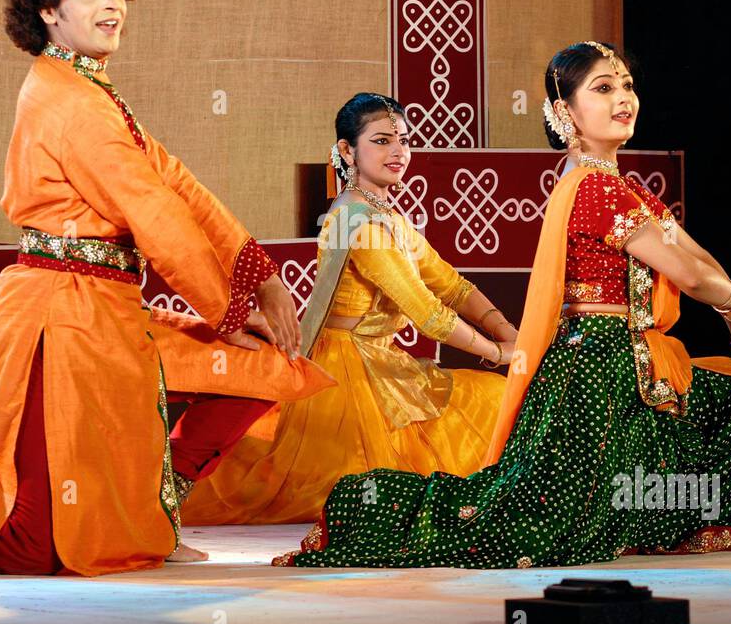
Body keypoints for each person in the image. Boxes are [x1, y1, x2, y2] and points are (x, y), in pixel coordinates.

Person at [273, 42, 731, 568]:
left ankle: (671, 520)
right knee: (534, 523)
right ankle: (367, 509)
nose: (623, 97)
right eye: (603, 88)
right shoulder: (596, 192)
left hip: (632, 361)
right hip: (602, 368)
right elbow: (690, 275)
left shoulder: (618, 187)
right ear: (564, 112)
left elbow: (694, 255)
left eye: (626, 85)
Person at [0, 0, 331, 575]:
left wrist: (257, 273)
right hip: (61, 317)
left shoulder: (93, 92)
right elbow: (154, 215)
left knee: (267, 370)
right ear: (50, 10)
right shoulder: (67, 101)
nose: (113, 5)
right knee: (29, 542)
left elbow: (176, 182)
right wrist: (227, 313)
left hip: (109, 310)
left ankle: (159, 508)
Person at [184, 93, 515, 524]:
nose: (398, 152)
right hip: (349, 372)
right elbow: (427, 312)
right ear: (346, 150)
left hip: (380, 361)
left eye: (404, 141)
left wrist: (506, 329)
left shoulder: (385, 214)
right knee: (486, 405)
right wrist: (498, 354)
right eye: (381, 140)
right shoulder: (357, 221)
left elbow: (450, 284)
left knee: (486, 409)